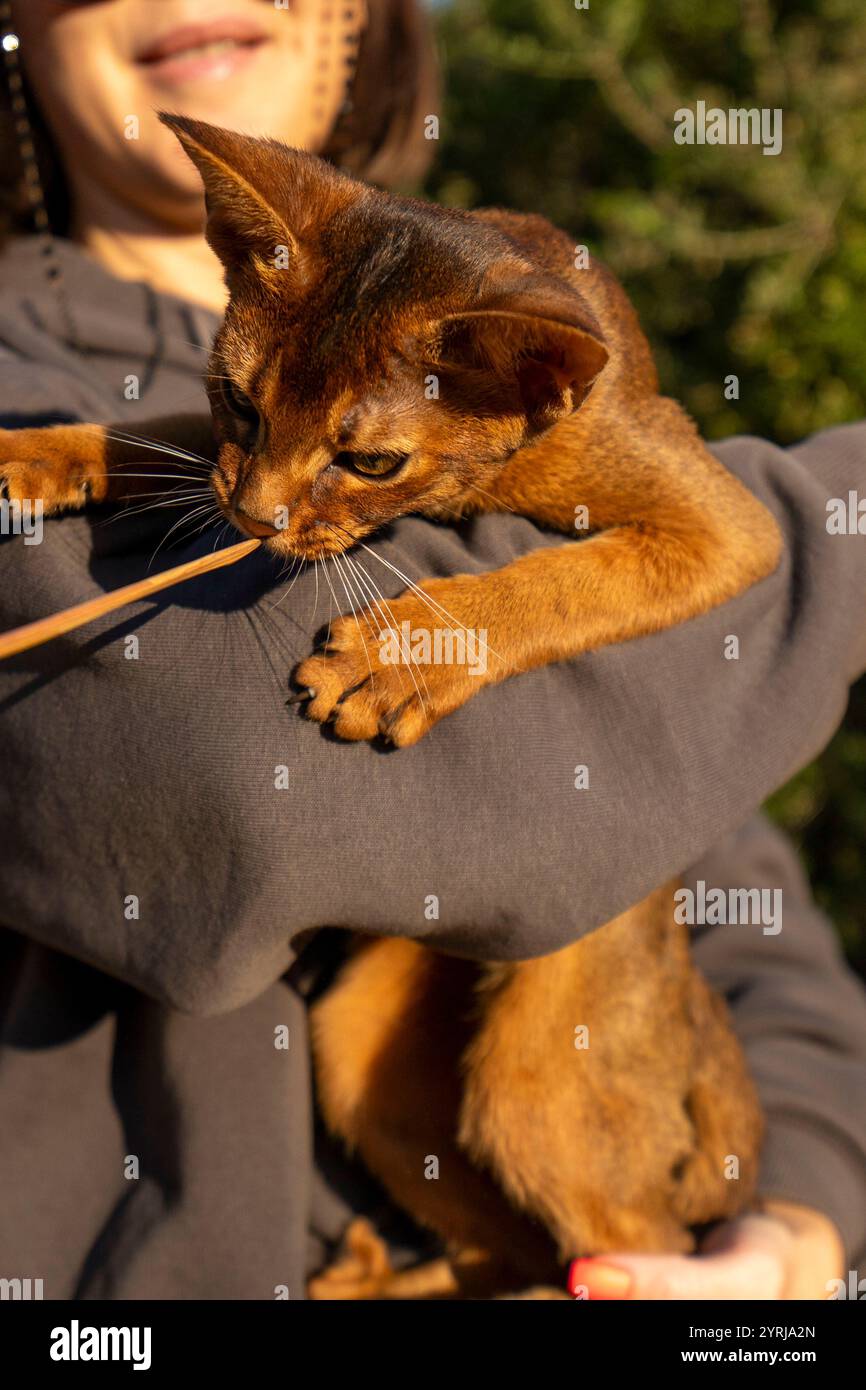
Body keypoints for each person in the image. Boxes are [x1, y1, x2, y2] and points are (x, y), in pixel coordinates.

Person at [0, 0, 864, 1301]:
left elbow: (719, 813)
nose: (255, 503)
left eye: (358, 461)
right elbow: (246, 805)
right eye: (236, 416)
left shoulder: (505, 334)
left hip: (613, 1217)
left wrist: (799, 1223)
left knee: (541, 1079)